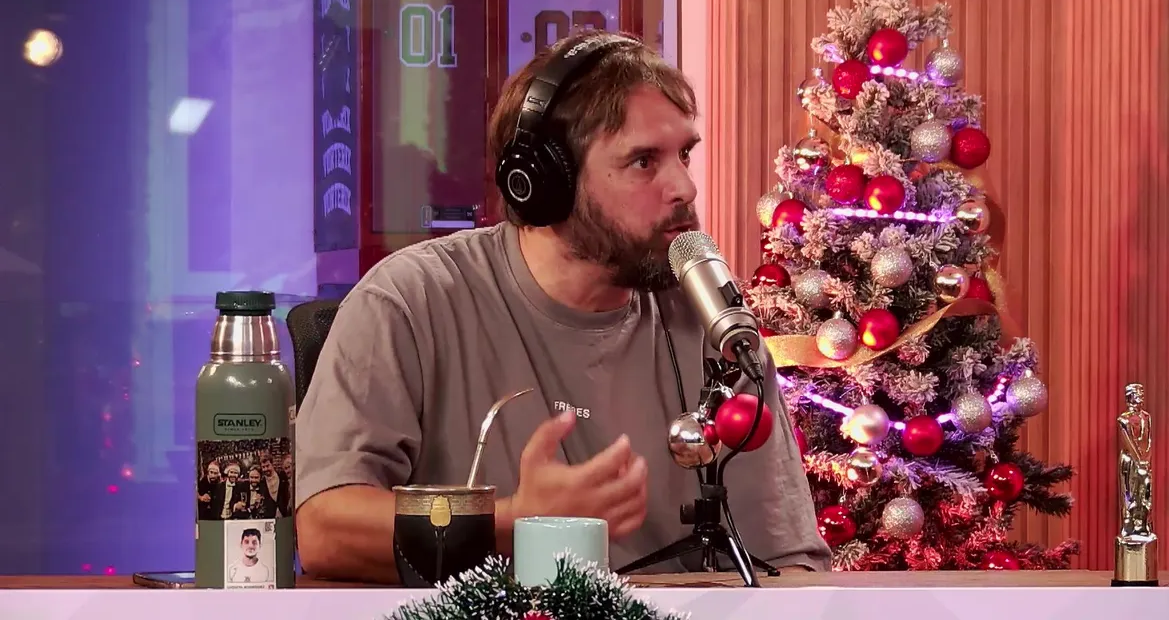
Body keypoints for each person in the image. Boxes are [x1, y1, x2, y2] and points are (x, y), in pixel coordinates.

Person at [294, 30, 831, 583]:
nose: (684, 188)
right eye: (643, 161)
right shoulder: (411, 301)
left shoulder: (713, 324)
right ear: (545, 182)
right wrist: (512, 524)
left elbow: (788, 563)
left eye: (684, 155)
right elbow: (325, 530)